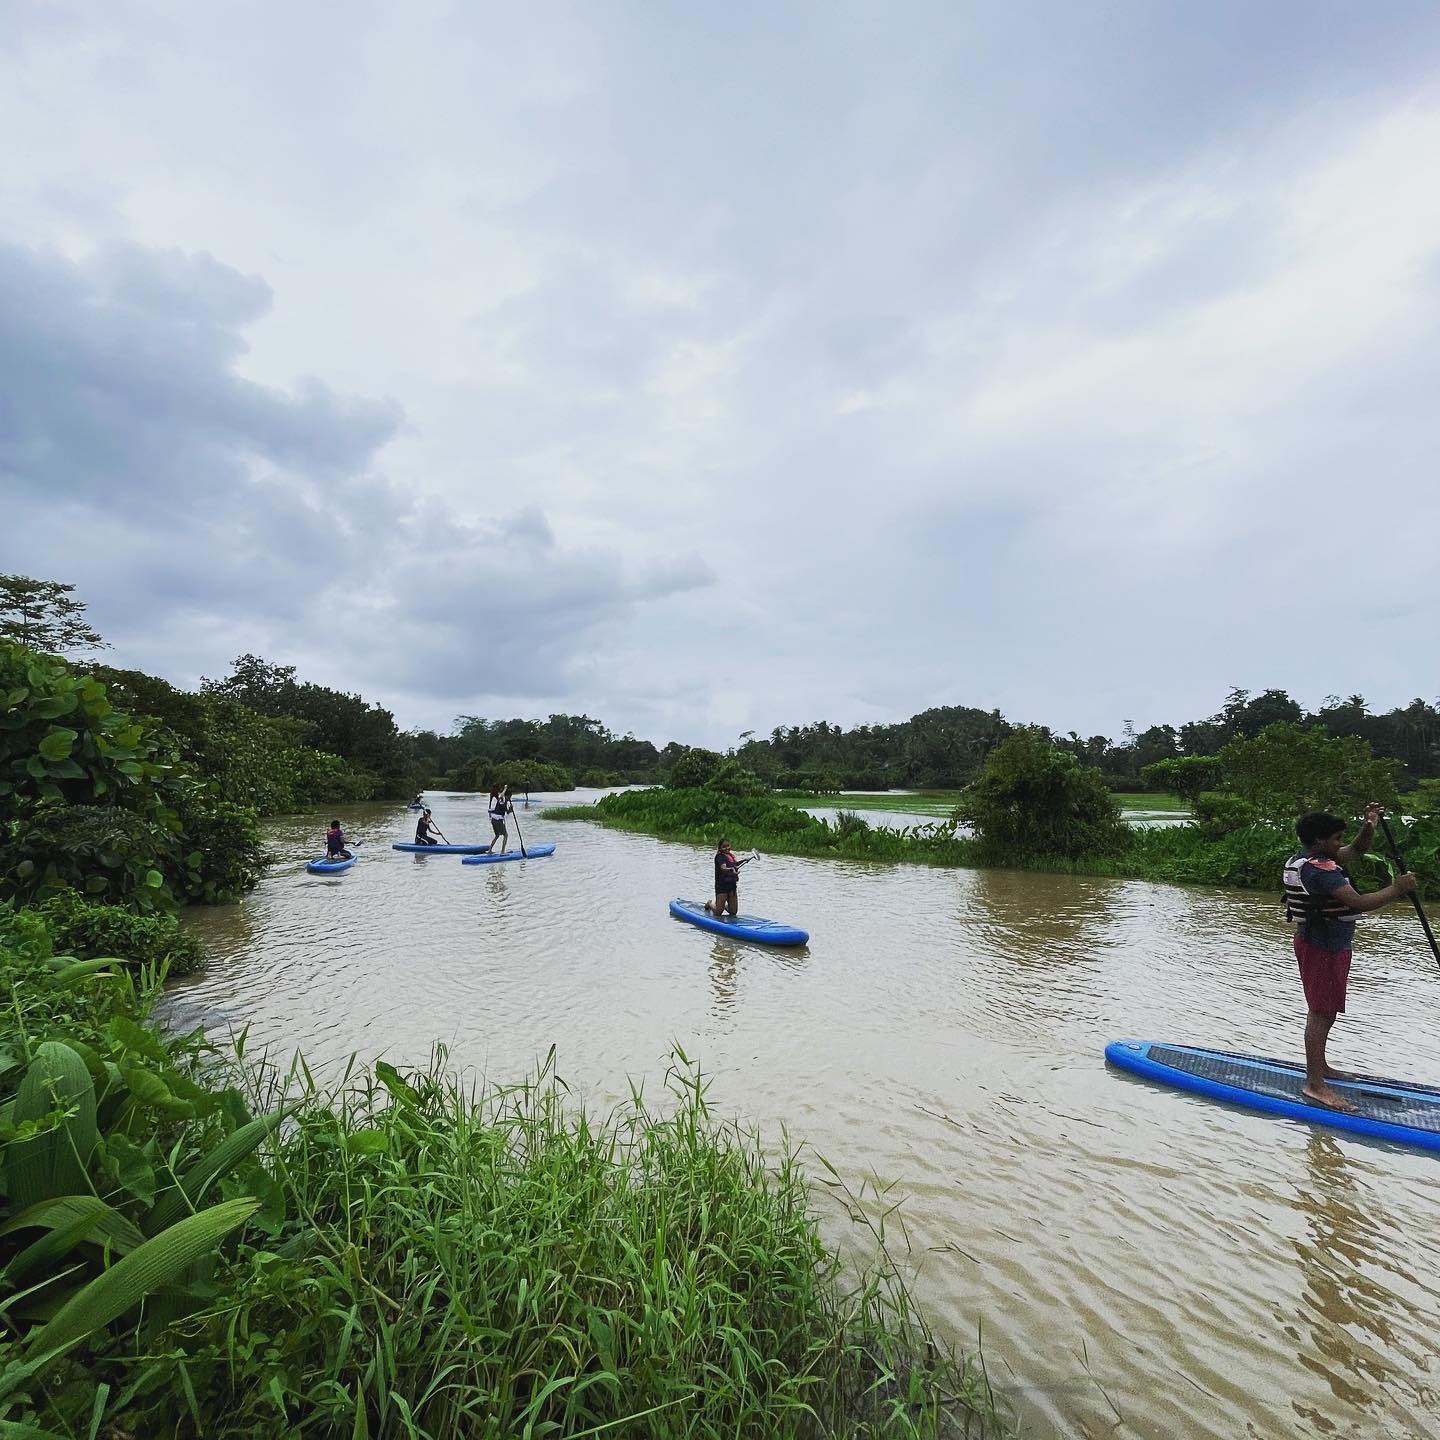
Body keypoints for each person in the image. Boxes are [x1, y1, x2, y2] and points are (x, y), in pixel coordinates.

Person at [1283, 804, 1417, 1111]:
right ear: (1318, 841)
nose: (1339, 844)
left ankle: (1322, 1069)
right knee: (1321, 1013)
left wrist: (1368, 826)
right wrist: (1397, 888)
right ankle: (1315, 1084)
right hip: (1323, 947)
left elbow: (1355, 849)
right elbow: (1359, 902)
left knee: (1325, 1011)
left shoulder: (1307, 858)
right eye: (1335, 839)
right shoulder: (1320, 871)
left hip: (1325, 944)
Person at [705, 837, 741, 917]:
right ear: (720, 848)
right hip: (722, 885)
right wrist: (731, 869)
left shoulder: (731, 856)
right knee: (718, 913)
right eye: (724, 846)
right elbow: (723, 868)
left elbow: (734, 864)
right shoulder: (720, 857)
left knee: (733, 912)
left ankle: (723, 905)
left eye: (728, 845)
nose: (726, 848)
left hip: (732, 885)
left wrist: (744, 860)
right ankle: (710, 903)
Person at [488, 784, 510, 854]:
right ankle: (502, 852)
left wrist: (511, 809)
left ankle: (490, 850)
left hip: (494, 819)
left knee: (497, 835)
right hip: (497, 819)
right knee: (506, 835)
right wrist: (505, 788)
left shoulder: (504, 800)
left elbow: (507, 812)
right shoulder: (501, 797)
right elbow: (501, 796)